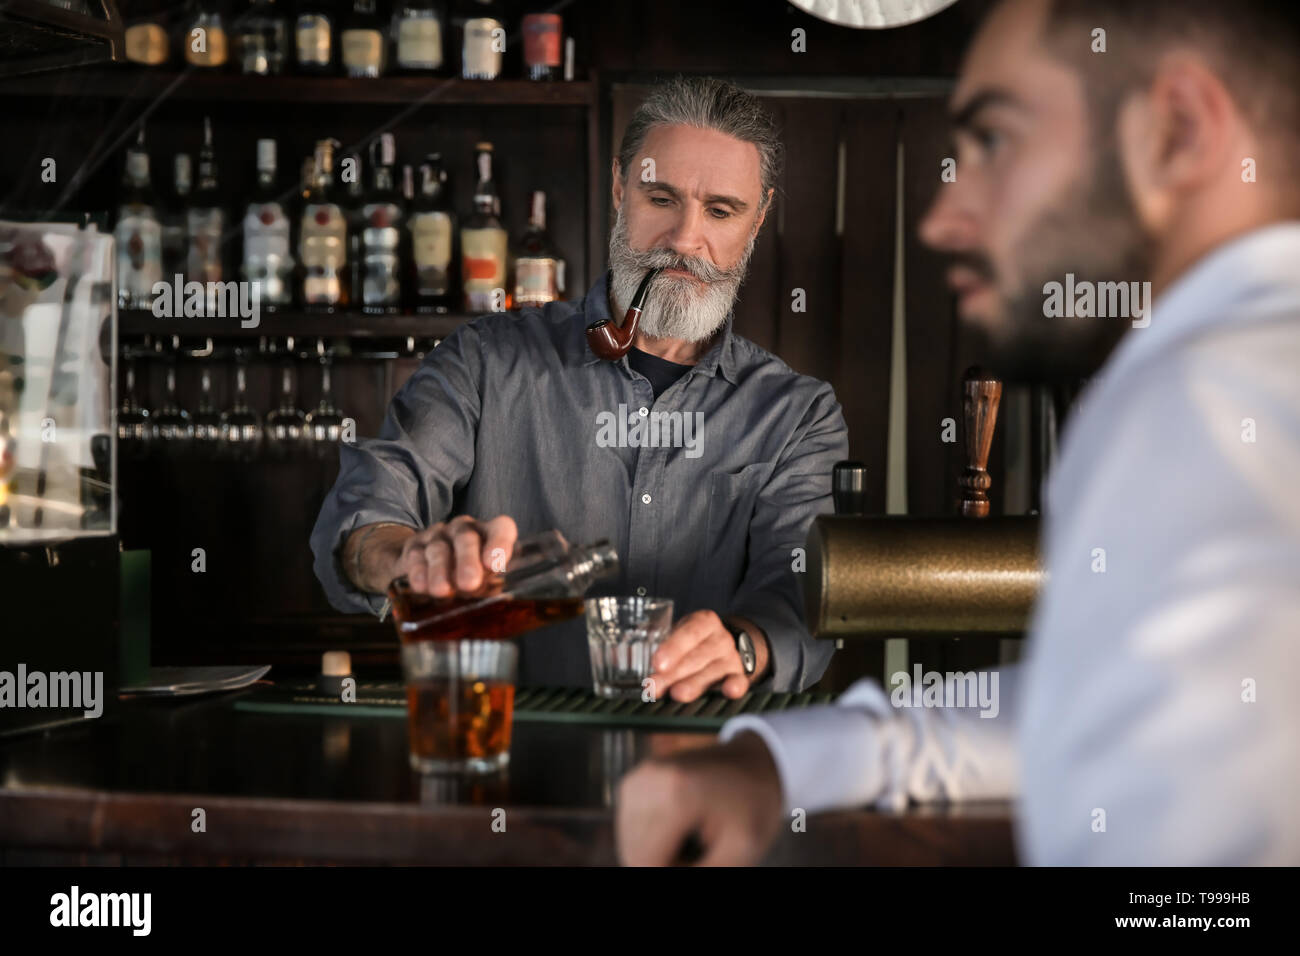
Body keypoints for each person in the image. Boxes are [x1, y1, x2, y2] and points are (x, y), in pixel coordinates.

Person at [617, 0, 1300, 865]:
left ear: (1176, 132)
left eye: (995, 141)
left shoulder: (1203, 393)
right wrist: (777, 764)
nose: (944, 218)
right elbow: (1091, 704)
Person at [310, 76, 849, 698]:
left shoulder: (798, 415)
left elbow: (803, 590)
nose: (683, 240)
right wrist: (403, 558)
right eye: (661, 198)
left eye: (721, 211)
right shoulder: (486, 359)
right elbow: (368, 512)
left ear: (756, 222)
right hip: (507, 762)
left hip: (702, 771)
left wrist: (744, 647)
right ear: (621, 191)